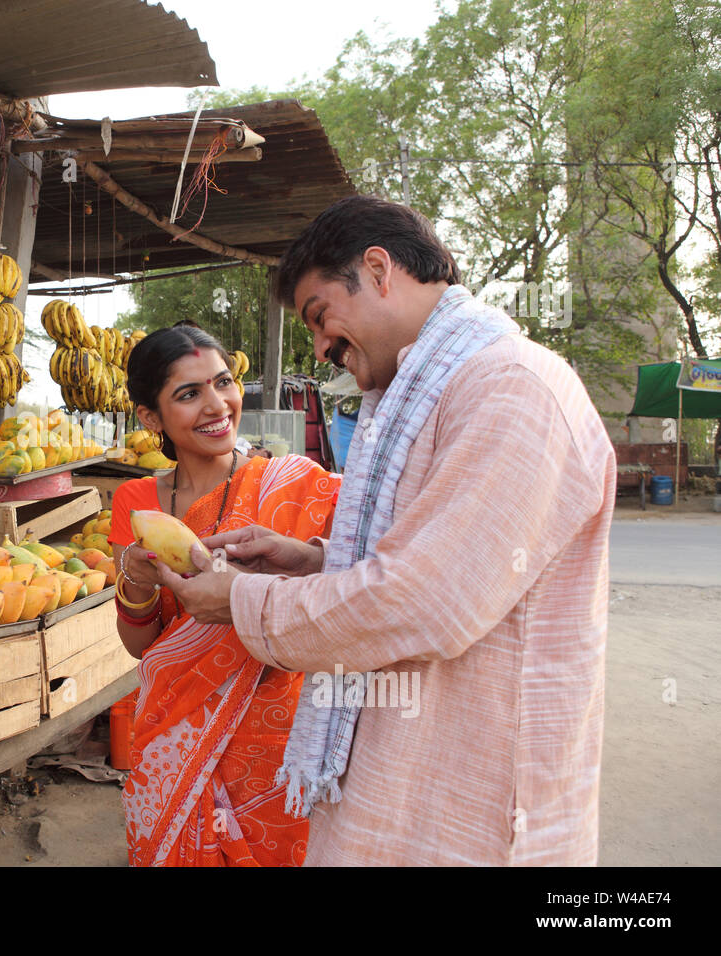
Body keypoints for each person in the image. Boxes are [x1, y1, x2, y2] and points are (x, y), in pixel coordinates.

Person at [156, 196, 616, 865]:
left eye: (320, 317)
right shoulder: (440, 385)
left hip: (472, 802)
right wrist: (313, 561)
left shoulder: (511, 387)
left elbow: (424, 602)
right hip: (404, 776)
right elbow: (432, 557)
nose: (320, 346)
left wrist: (238, 600)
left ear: (378, 269)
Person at [109, 323, 341, 866]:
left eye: (224, 382)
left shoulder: (290, 483)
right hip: (178, 733)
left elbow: (349, 594)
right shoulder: (137, 501)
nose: (217, 405)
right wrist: (138, 583)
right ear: (151, 417)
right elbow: (142, 646)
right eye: (188, 394)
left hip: (278, 735)